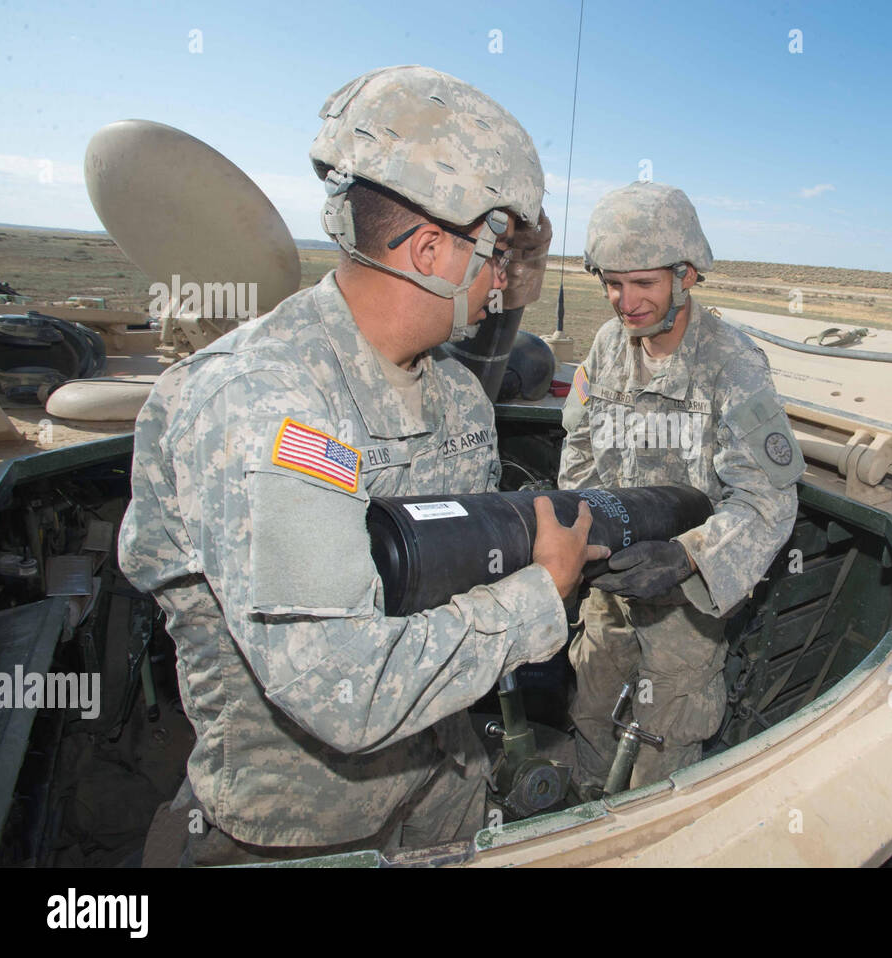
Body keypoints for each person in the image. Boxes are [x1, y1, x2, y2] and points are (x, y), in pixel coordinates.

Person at [119, 65, 606, 865]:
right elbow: (345, 692)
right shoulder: (265, 404)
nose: (504, 284)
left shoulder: (455, 393)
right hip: (308, 832)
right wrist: (539, 593)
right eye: (497, 256)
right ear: (428, 251)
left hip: (444, 783)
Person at [558, 181, 804, 793]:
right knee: (591, 713)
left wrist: (685, 556)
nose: (625, 301)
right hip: (609, 584)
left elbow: (768, 500)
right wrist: (582, 535)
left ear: (685, 275)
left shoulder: (733, 364)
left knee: (661, 743)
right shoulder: (609, 347)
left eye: (643, 283)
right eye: (613, 283)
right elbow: (581, 444)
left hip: (687, 603)